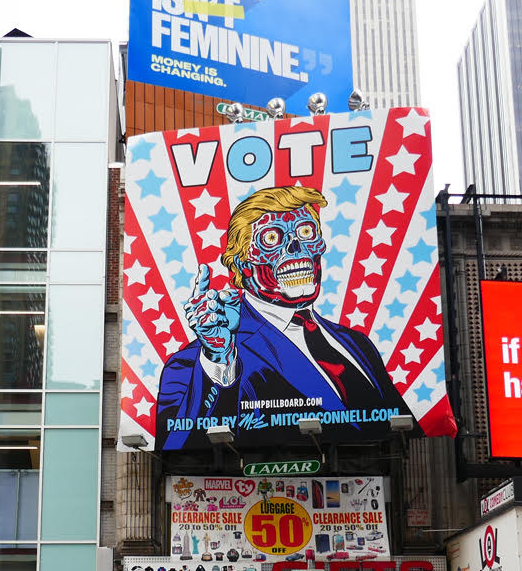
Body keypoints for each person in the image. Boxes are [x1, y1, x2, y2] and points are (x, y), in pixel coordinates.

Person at [156, 186, 406, 449]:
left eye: (306, 232)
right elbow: (176, 440)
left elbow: (400, 423)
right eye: (271, 239)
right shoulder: (192, 363)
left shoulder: (356, 344)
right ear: (242, 264)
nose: (296, 247)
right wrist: (219, 359)